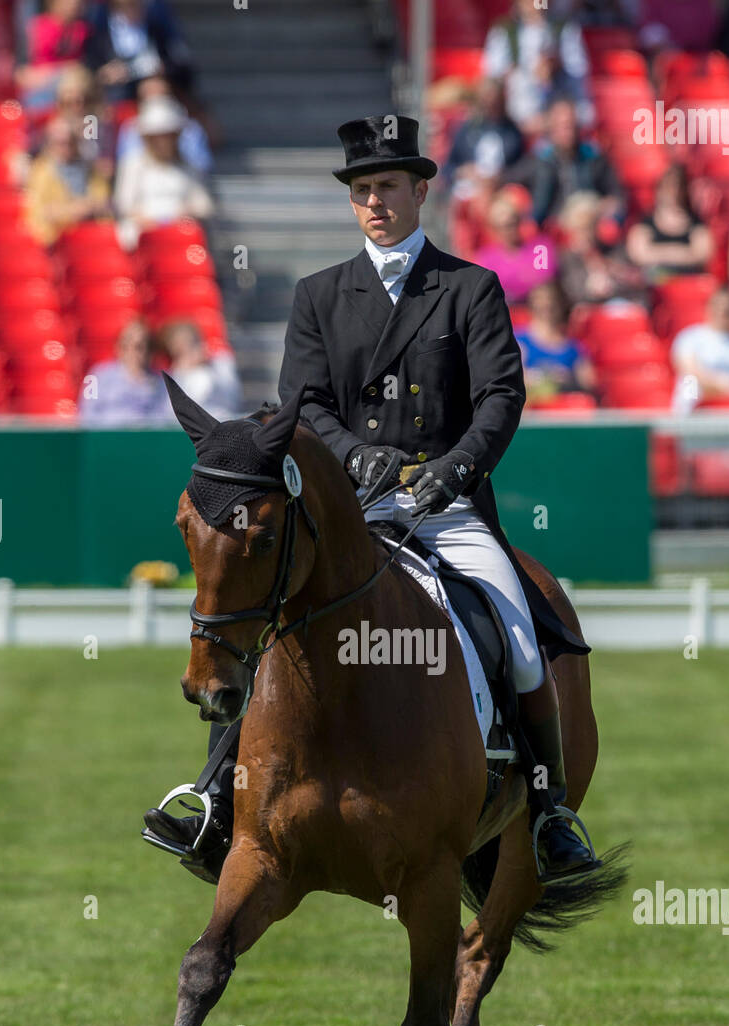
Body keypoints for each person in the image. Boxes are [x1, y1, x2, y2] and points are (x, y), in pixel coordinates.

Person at [143, 114, 600, 887]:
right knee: (271, 626)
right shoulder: (320, 294)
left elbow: (500, 395)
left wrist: (456, 468)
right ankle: (217, 798)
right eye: (362, 190)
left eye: (388, 185)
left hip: (448, 508)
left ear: (421, 189)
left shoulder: (468, 287)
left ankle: (549, 809)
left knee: (521, 635)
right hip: (355, 510)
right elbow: (303, 403)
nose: (375, 201)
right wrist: (358, 456)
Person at [113, 94, 214, 250]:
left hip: (180, 237)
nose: (163, 141)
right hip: (142, 238)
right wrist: (144, 220)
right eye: (158, 136)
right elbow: (124, 204)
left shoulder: (188, 166)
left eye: (168, 135)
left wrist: (187, 214)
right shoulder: (133, 165)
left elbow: (204, 205)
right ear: (148, 138)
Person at [507, 98, 625, 228]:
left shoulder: (595, 158)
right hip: (553, 232)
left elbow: (617, 196)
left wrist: (609, 206)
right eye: (562, 126)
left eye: (571, 125)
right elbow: (508, 182)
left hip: (589, 228)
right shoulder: (539, 162)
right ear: (551, 128)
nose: (568, 132)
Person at [483, 0, 592, 130]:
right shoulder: (504, 31)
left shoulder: (564, 29)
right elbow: (492, 79)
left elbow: (578, 74)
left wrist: (556, 65)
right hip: (515, 119)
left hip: (557, 120)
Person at [24, 114, 111, 245]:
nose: (66, 148)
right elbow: (40, 214)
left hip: (92, 238)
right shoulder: (41, 172)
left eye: (71, 142)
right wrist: (74, 210)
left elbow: (103, 203)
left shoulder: (92, 170)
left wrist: (87, 207)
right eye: (60, 143)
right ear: (50, 144)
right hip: (57, 241)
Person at [84, 0, 195, 102]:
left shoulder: (158, 24)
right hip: (115, 95)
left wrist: (161, 69)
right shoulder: (99, 24)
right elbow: (91, 64)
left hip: (151, 93)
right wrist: (104, 73)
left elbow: (179, 61)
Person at [626, 166, 714, 285]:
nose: (673, 192)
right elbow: (638, 254)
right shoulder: (644, 224)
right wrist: (682, 252)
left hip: (687, 286)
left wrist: (656, 252)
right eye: (668, 187)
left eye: (678, 187)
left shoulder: (697, 225)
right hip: (653, 287)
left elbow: (701, 255)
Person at [557, 190, 646, 306]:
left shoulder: (613, 250)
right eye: (580, 228)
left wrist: (613, 280)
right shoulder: (567, 258)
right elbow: (570, 292)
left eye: (589, 226)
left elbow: (636, 282)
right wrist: (590, 289)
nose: (585, 234)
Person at [78, 317, 172, 423]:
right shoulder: (96, 377)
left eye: (140, 346)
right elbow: (87, 415)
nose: (132, 351)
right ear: (118, 347)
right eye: (126, 345)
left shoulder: (162, 383)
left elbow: (165, 419)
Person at [115, 73, 212, 174]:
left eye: (161, 97)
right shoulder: (130, 129)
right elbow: (126, 164)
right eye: (150, 98)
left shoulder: (191, 129)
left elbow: (202, 166)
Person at [515, 279, 595, 401]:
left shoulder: (574, 348)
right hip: (533, 411)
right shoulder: (519, 342)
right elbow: (517, 382)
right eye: (541, 301)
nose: (547, 306)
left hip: (564, 411)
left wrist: (566, 381)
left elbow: (588, 385)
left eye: (551, 302)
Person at [444, 78, 524, 198]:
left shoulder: (512, 133)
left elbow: (520, 170)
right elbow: (447, 168)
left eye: (495, 100)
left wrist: (500, 177)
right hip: (467, 189)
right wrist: (462, 171)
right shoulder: (467, 129)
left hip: (499, 192)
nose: (490, 103)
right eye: (486, 99)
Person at [474, 191, 557, 303]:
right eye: (501, 226)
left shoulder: (540, 248)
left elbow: (544, 282)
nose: (508, 230)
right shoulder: (487, 258)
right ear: (493, 229)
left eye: (512, 223)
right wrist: (526, 277)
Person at [160, 320, 241, 420]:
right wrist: (182, 372)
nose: (187, 351)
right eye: (180, 350)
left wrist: (209, 367)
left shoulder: (220, 362)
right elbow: (171, 410)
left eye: (190, 343)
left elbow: (232, 398)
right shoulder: (174, 374)